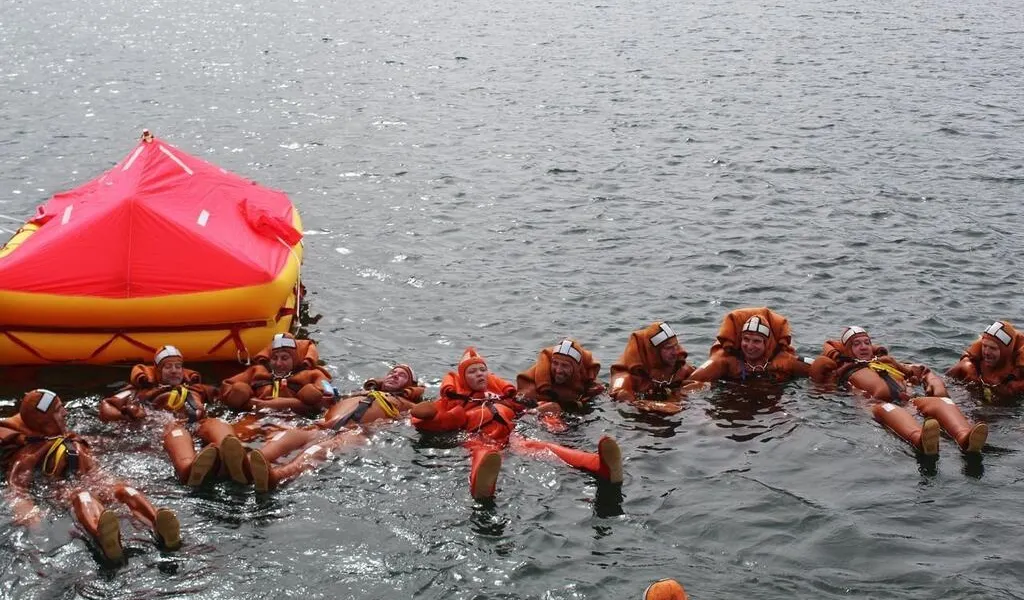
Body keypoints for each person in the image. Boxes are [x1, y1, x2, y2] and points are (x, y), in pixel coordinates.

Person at [412, 348, 622, 501]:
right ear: (463, 378)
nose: (479, 374)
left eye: (482, 370)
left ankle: (598, 465)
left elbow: (526, 408)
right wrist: (428, 411)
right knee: (483, 454)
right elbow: (423, 416)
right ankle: (481, 487)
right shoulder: (455, 401)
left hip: (511, 437)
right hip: (478, 438)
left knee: (547, 448)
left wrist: (543, 410)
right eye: (473, 372)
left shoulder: (499, 395)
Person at [3, 389, 182, 564]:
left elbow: (101, 446)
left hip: (99, 480)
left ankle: (158, 524)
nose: (65, 412)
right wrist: (27, 512)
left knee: (126, 491)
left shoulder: (74, 439)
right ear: (45, 422)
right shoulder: (29, 454)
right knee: (84, 497)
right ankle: (104, 537)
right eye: (58, 410)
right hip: (66, 490)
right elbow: (16, 486)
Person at [244, 364, 425, 492]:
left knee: (319, 449)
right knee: (286, 435)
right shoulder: (358, 392)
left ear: (410, 386)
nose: (394, 375)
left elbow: (417, 419)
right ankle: (247, 463)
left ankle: (276, 476)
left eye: (402, 375)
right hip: (322, 426)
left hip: (355, 432)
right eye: (393, 371)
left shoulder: (405, 403)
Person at [811, 326, 987, 455]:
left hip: (908, 400)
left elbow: (920, 370)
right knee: (892, 410)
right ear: (848, 350)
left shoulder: (886, 362)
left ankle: (965, 438)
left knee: (943, 402)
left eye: (866, 342)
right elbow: (824, 389)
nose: (863, 347)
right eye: (856, 344)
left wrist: (934, 382)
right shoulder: (845, 371)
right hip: (876, 404)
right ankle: (921, 440)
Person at [687, 307, 812, 384]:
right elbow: (692, 381)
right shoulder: (726, 360)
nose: (749, 346)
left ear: (767, 344)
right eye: (746, 339)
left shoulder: (784, 360)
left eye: (756, 341)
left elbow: (815, 367)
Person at [219, 333, 335, 415]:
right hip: (256, 417)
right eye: (274, 358)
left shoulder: (313, 375)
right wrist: (245, 399)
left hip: (295, 422)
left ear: (294, 359)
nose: (278, 363)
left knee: (311, 393)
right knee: (239, 389)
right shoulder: (257, 371)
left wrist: (283, 404)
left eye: (284, 358)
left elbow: (328, 398)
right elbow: (226, 386)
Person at [609, 322, 695, 414]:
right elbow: (621, 399)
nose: (675, 352)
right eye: (668, 348)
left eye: (676, 346)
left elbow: (700, 383)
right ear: (651, 352)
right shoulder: (625, 378)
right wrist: (657, 406)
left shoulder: (680, 369)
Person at [517, 338, 604, 411]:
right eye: (555, 363)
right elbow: (522, 402)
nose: (558, 370)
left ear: (576, 369)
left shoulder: (586, 378)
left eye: (565, 365)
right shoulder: (533, 383)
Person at [947, 320, 1024, 402]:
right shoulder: (968, 366)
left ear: (1005, 352)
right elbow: (945, 382)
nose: (986, 352)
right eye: (984, 346)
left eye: (993, 348)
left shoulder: (1017, 380)